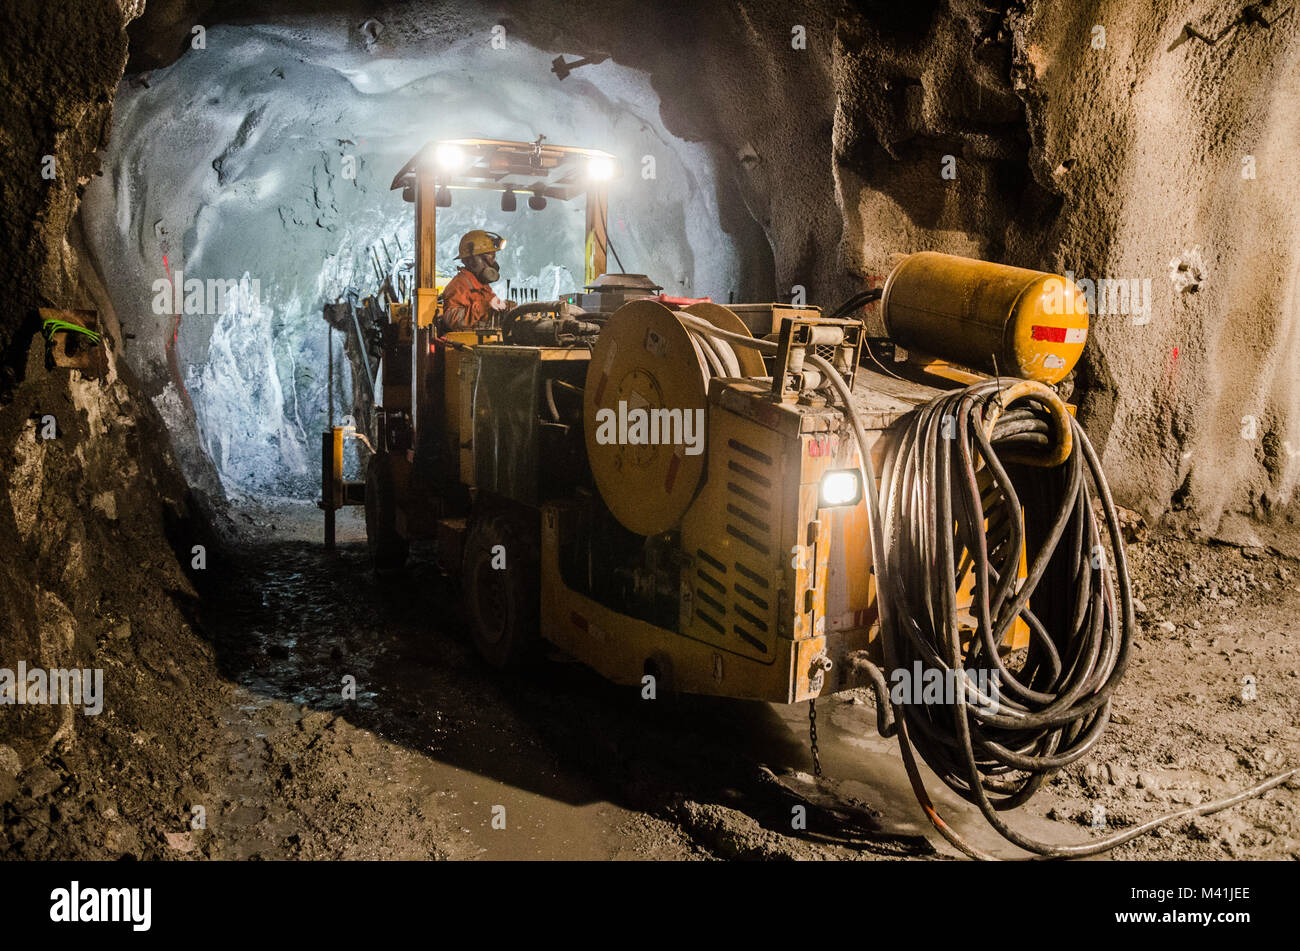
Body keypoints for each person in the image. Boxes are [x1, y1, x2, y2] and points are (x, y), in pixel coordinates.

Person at [442, 230, 513, 331]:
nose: (491, 265)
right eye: (486, 259)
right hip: (465, 344)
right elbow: (452, 320)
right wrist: (484, 306)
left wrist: (505, 308)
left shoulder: (481, 285)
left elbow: (488, 314)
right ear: (469, 261)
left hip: (482, 341)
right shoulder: (459, 285)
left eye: (493, 258)